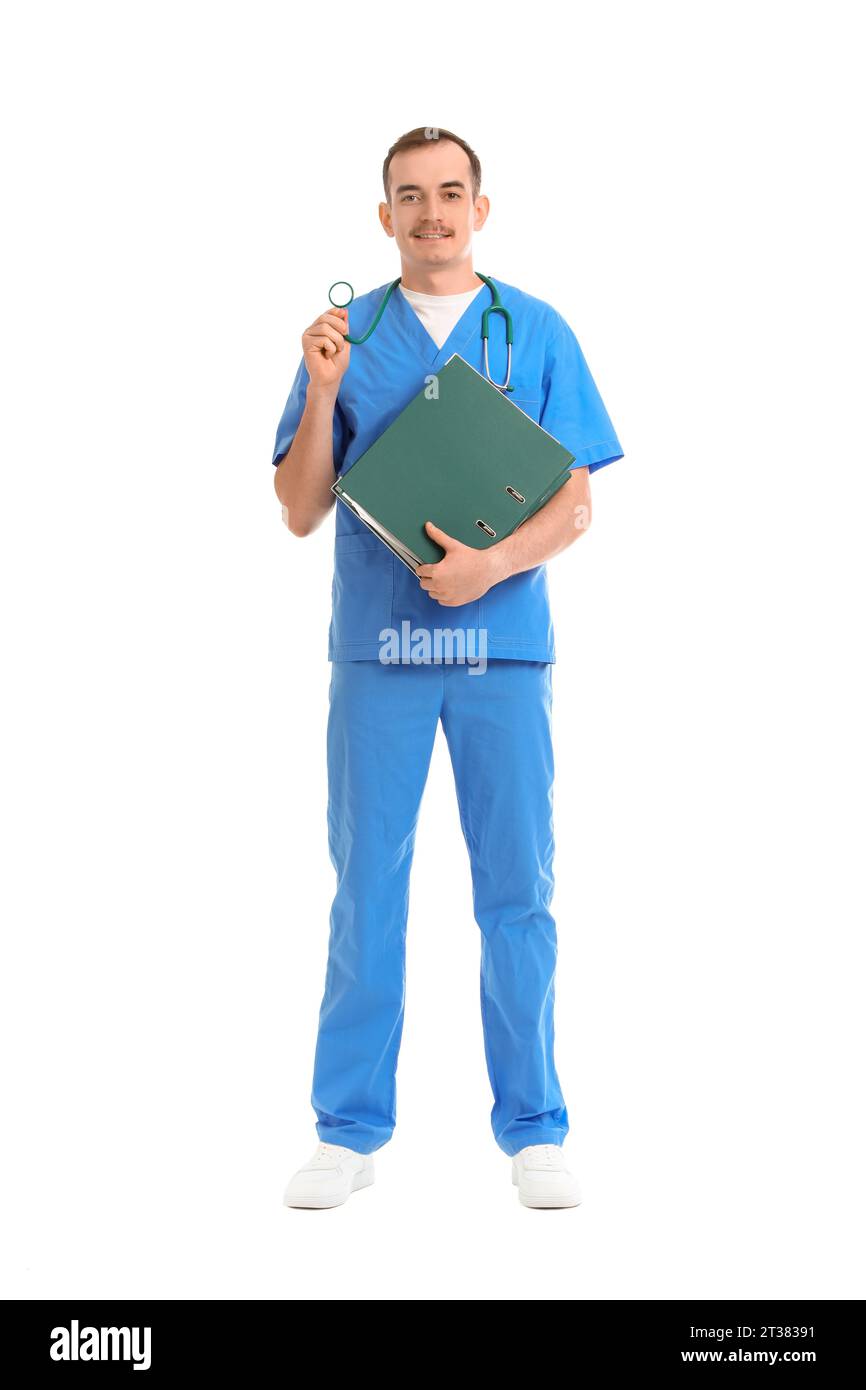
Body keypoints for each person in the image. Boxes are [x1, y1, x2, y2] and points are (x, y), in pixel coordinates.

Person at [272, 127, 624, 1210]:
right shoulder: (347, 337)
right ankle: (347, 1128)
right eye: (408, 196)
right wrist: (323, 390)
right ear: (384, 216)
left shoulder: (537, 331)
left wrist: (491, 566)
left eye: (449, 193)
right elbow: (297, 509)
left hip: (499, 657)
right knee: (364, 891)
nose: (431, 213)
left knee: (517, 892)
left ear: (480, 207)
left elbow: (575, 501)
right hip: (379, 653)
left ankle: (534, 1126)